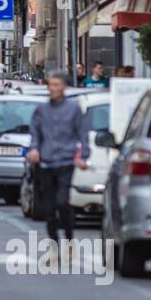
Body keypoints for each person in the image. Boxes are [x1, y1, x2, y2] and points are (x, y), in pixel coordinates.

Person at [28, 71, 90, 255]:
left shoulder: (74, 109)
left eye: (57, 85)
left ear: (64, 87)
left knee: (62, 202)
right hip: (46, 163)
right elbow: (35, 132)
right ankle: (54, 246)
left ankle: (69, 240)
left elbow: (83, 133)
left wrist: (84, 156)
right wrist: (34, 149)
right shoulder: (41, 110)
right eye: (51, 85)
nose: (53, 88)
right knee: (49, 207)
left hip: (65, 161)